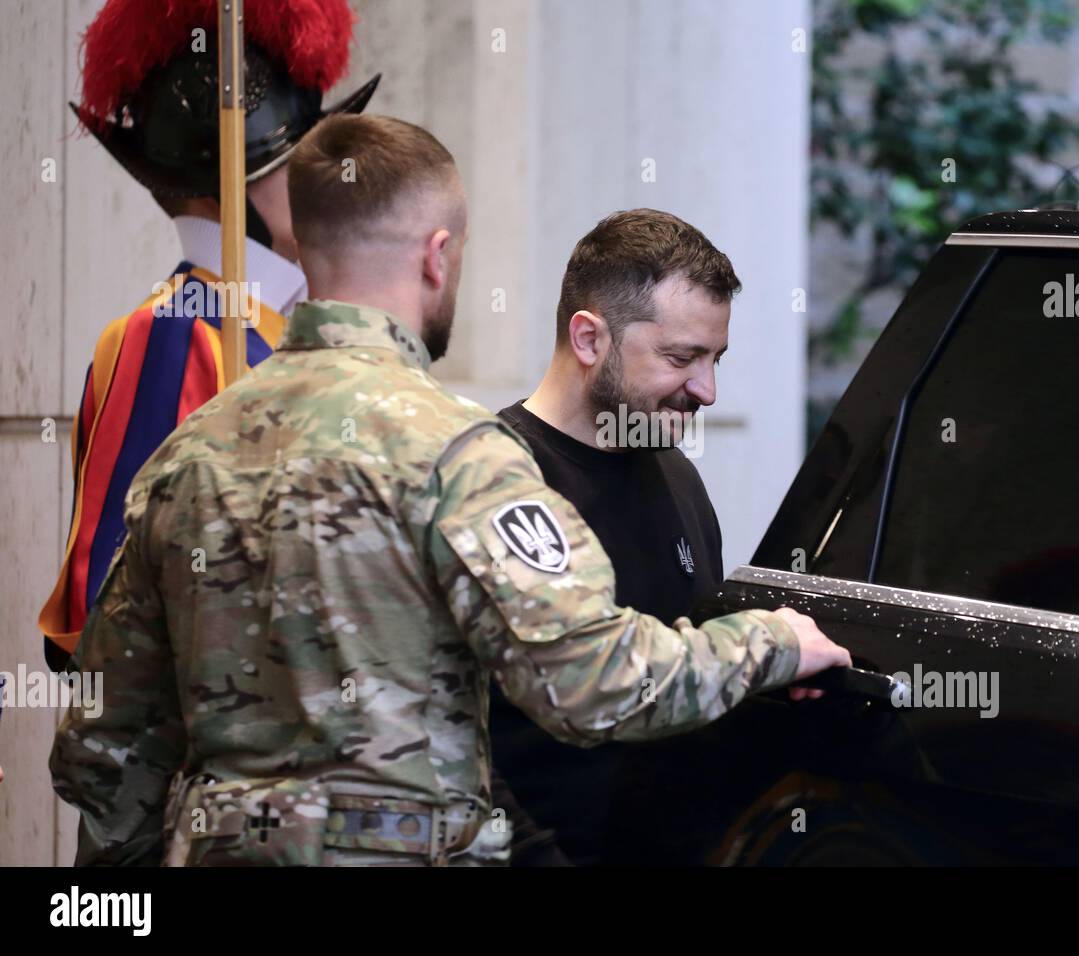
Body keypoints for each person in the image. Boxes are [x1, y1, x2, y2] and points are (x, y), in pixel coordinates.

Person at [49, 113, 851, 866]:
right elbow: (594, 683)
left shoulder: (189, 453)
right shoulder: (460, 452)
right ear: (437, 255)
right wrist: (774, 641)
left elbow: (98, 749)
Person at [38, 0, 380, 670]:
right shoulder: (173, 333)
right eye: (297, 157)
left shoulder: (285, 327)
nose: (325, 173)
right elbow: (100, 615)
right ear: (226, 184)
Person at [491, 209, 743, 865]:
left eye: (715, 359)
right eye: (681, 357)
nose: (707, 390)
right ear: (587, 338)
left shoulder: (677, 475)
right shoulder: (496, 480)